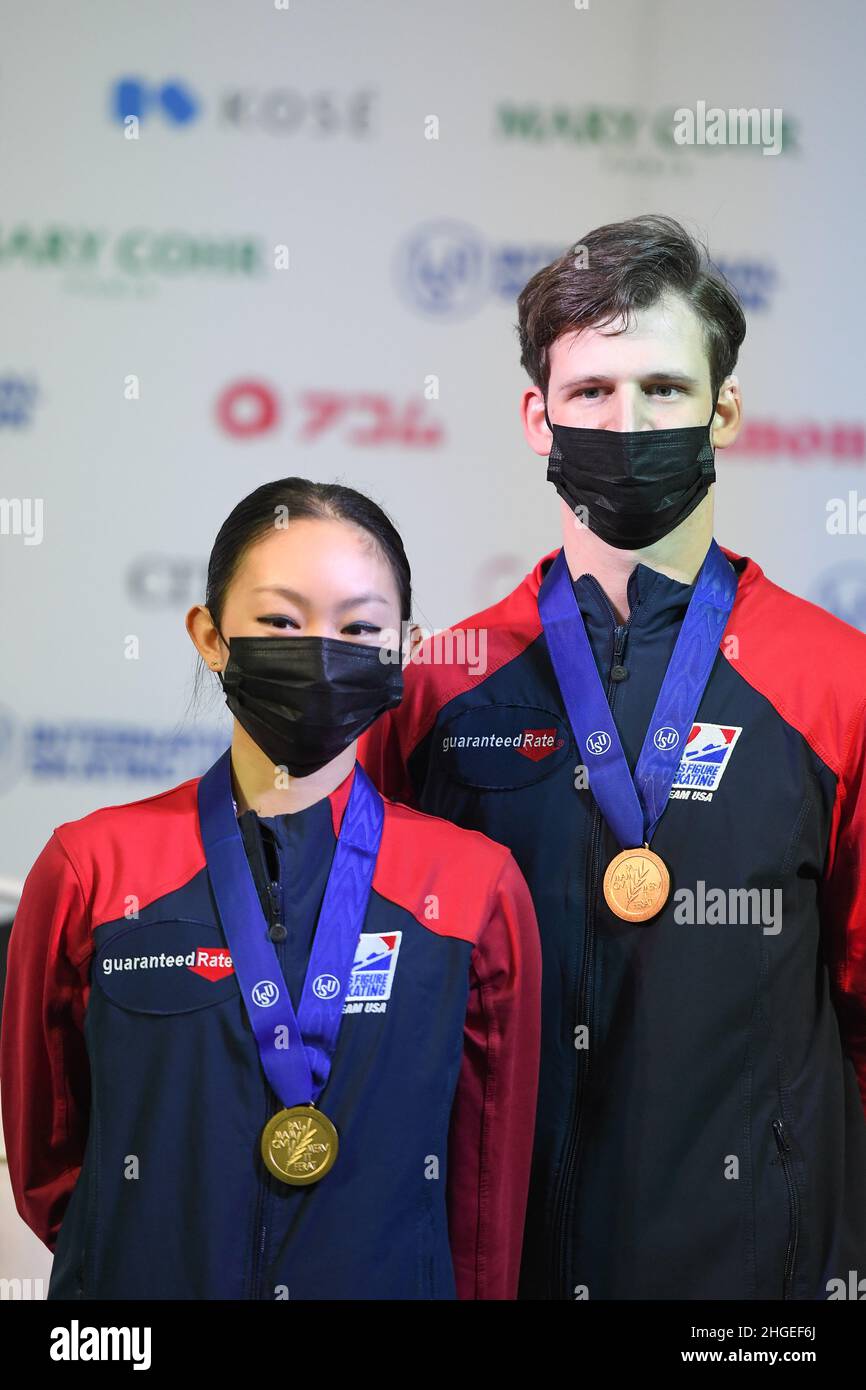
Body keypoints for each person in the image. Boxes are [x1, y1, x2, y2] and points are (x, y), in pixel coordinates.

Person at [359, 214, 866, 1301]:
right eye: (590, 393)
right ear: (536, 418)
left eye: (663, 391)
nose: (625, 422)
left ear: (723, 409)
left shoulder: (837, 684)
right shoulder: (442, 686)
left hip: (757, 1287)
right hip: (493, 1272)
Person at [0, 478, 542, 1300]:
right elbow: (51, 1165)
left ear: (404, 648)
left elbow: (484, 1193)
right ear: (210, 637)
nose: (320, 651)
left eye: (359, 627)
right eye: (282, 622)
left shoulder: (472, 888)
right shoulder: (93, 869)